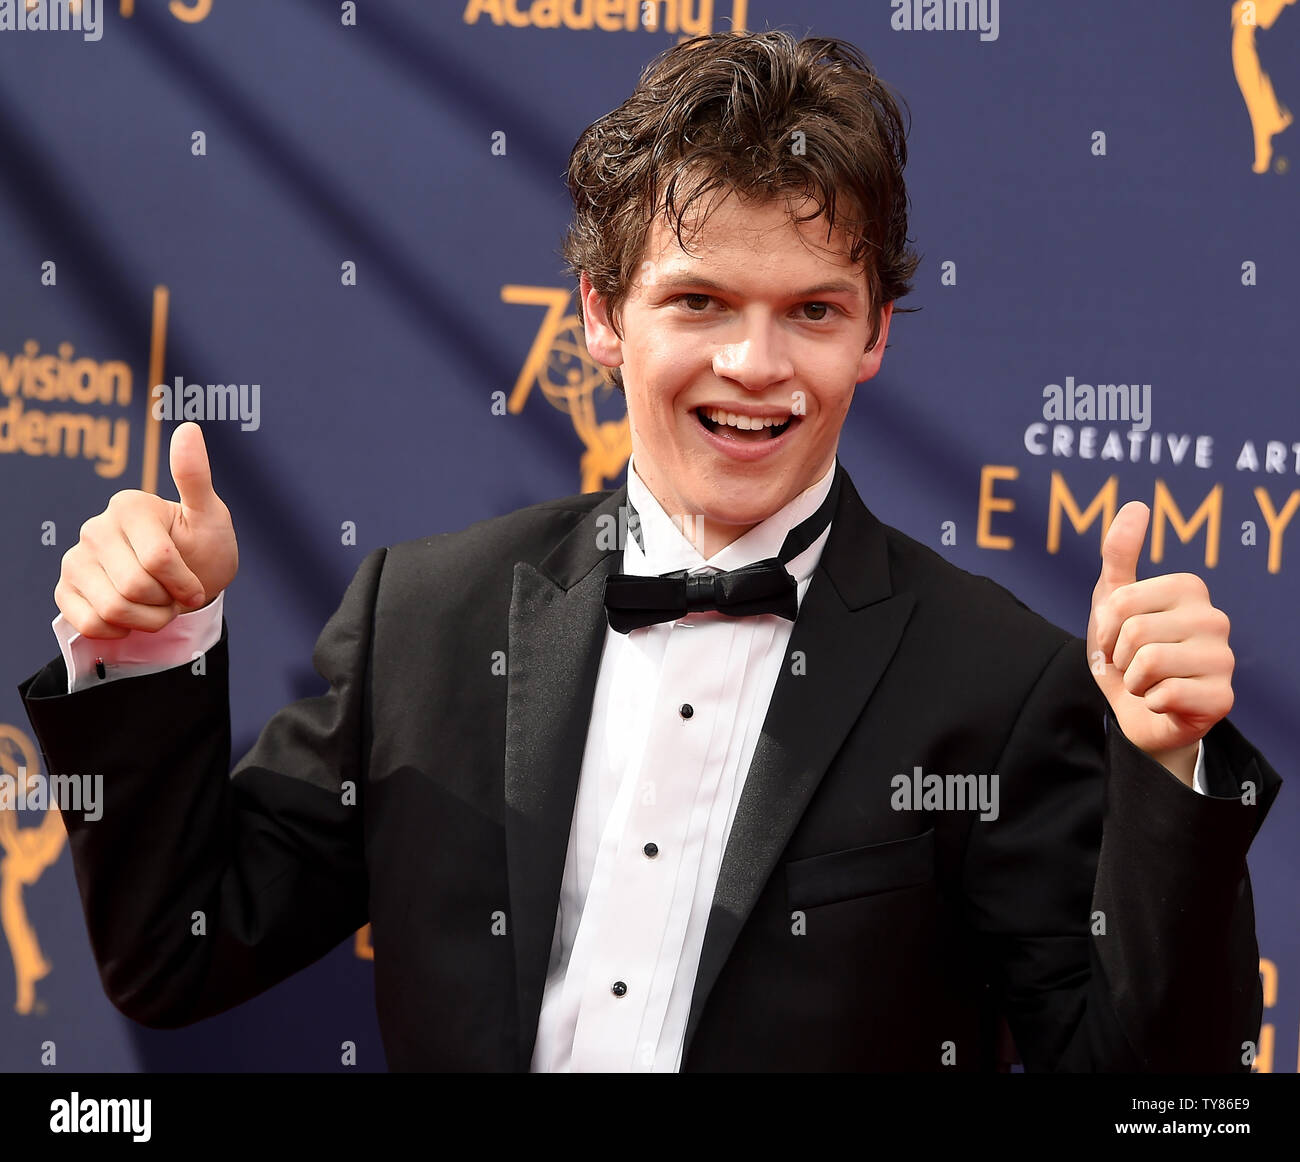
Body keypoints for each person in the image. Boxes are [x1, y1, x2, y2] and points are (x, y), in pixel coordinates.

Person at [17, 30, 1280, 1072]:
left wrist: (1166, 777)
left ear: (875, 336)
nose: (754, 365)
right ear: (602, 316)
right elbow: (176, 955)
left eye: (813, 311)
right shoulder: (429, 619)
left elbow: (1154, 1095)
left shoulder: (998, 681)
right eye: (699, 301)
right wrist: (147, 657)